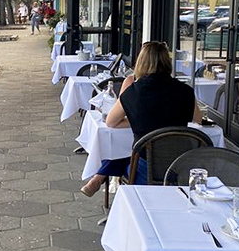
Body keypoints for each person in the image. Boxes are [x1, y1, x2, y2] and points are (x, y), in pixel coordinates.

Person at [80, 41, 202, 195]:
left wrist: (140, 122)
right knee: (131, 151)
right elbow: (198, 119)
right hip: (182, 164)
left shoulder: (133, 92)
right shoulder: (185, 91)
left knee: (126, 152)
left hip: (146, 168)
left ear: (141, 62)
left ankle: (101, 182)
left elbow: (111, 122)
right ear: (168, 62)